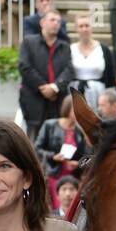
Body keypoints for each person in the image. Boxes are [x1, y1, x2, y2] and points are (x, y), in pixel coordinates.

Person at [18, 10, 75, 139]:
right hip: (34, 100)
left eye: (58, 21)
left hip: (58, 101)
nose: (56, 24)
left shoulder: (65, 46)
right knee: (33, 140)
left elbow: (69, 70)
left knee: (57, 138)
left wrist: (54, 88)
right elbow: (25, 67)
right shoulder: (29, 42)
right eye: (52, 20)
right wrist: (43, 87)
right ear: (42, 23)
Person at [35, 98, 88, 196]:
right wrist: (53, 156)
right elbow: (37, 148)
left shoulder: (80, 131)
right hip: (53, 173)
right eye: (76, 110)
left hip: (73, 177)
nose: (79, 113)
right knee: (56, 205)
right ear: (67, 109)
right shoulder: (49, 125)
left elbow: (87, 155)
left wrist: (78, 163)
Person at [70, 12, 116, 110]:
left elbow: (111, 75)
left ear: (92, 27)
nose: (84, 29)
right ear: (76, 29)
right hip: (75, 92)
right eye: (81, 26)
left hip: (98, 93)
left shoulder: (104, 50)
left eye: (87, 25)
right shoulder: (70, 49)